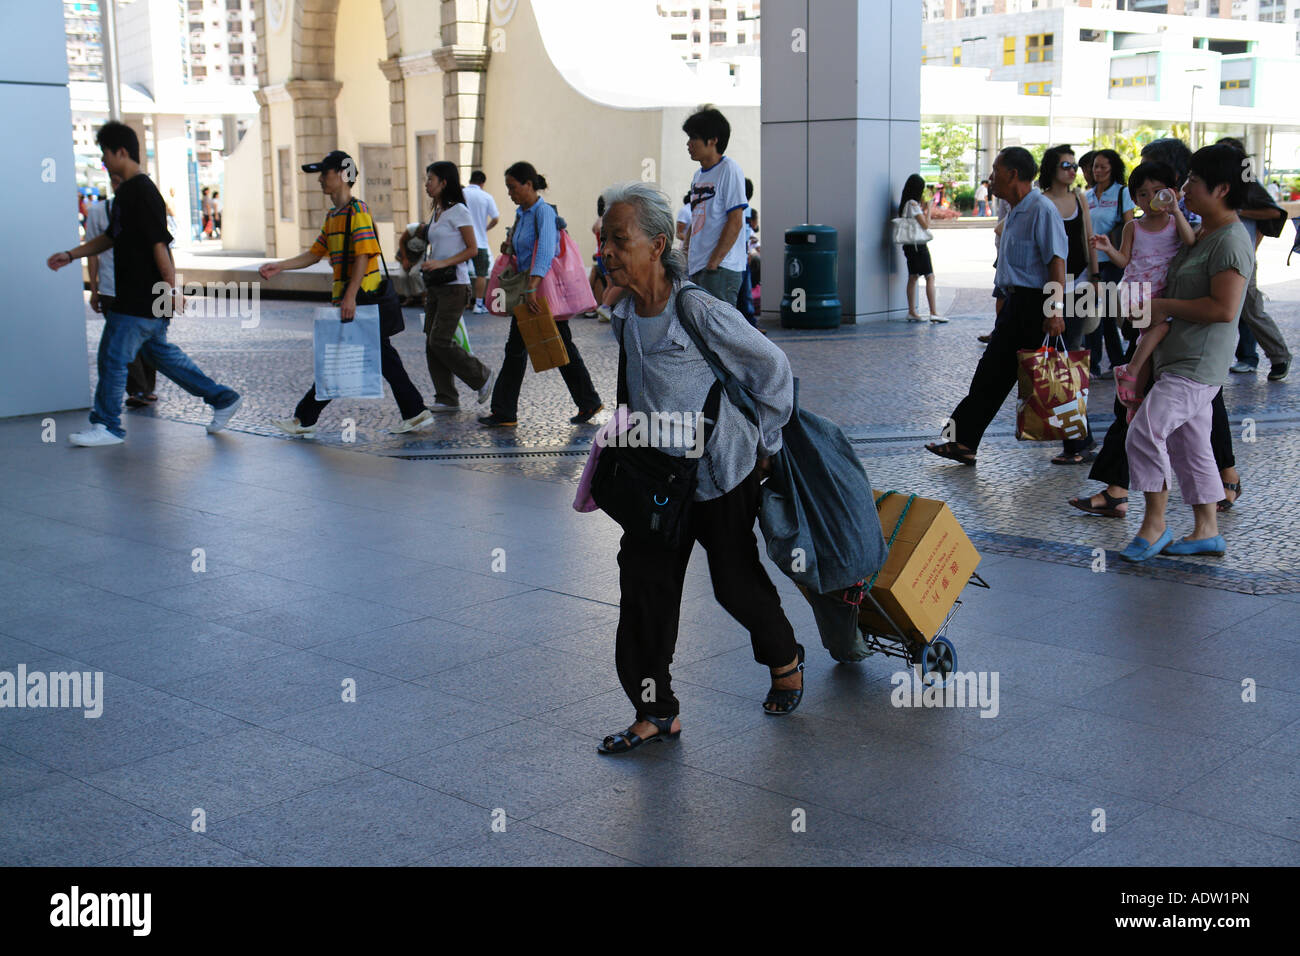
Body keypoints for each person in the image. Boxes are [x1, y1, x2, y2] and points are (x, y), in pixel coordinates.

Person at [595, 180, 801, 754]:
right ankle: (654, 710)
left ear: (658, 244)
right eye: (603, 240)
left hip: (719, 473)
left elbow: (773, 369)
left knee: (735, 582)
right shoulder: (626, 314)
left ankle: (784, 658)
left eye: (619, 239)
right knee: (643, 592)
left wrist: (766, 439)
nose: (607, 251)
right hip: (657, 483)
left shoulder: (699, 309)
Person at [45, 121, 242, 446]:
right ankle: (223, 398)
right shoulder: (126, 193)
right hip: (139, 298)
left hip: (140, 299)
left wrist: (170, 289)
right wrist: (71, 254)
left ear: (121, 152)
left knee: (112, 357)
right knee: (162, 358)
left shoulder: (143, 193)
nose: (103, 161)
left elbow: (159, 245)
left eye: (105, 154)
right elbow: (110, 238)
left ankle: (108, 425)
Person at [1118, 144, 1254, 562]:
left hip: (1196, 364)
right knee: (1190, 445)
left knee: (1145, 431)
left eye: (1194, 179)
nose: (1186, 186)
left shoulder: (1230, 240)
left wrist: (1163, 308)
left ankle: (1155, 524)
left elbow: (1224, 308)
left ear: (1222, 188)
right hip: (1179, 358)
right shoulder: (1202, 234)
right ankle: (1207, 530)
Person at [258, 149, 433, 438]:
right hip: (353, 299)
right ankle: (415, 412)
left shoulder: (357, 210)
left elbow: (364, 256)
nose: (320, 181)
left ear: (341, 175)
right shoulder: (334, 215)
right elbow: (316, 253)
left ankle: (305, 419)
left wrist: (350, 296)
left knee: (342, 358)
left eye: (324, 174)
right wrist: (280, 266)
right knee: (379, 359)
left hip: (362, 298)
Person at [925, 147, 1066, 465]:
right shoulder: (1013, 210)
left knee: (1047, 378)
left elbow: (1057, 262)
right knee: (991, 374)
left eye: (995, 170)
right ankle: (961, 442)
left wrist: (1055, 309)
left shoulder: (1041, 209)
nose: (990, 178)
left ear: (1013, 174)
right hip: (1015, 304)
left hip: (1036, 305)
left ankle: (1078, 443)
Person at [479, 161, 603, 428]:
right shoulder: (522, 214)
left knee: (522, 349)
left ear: (529, 185)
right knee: (556, 346)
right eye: (508, 188)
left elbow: (546, 250)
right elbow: (523, 250)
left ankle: (505, 411)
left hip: (539, 291)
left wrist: (532, 288)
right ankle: (588, 401)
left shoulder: (543, 212)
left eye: (513, 187)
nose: (510, 193)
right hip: (531, 288)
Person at [1090, 161, 1196, 415]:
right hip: (1137, 291)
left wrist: (1176, 210)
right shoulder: (1133, 226)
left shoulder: (1174, 222)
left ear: (1170, 192)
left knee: (1147, 343)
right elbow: (1124, 260)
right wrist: (1108, 249)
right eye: (1142, 194)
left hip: (1163, 291)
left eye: (1157, 192)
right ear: (1135, 199)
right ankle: (1131, 372)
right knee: (1158, 330)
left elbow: (1189, 240)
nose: (1150, 199)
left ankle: (1132, 398)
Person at [397, 161, 495, 414]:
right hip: (437, 286)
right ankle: (446, 398)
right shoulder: (438, 212)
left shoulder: (459, 211)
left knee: (440, 339)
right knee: (431, 340)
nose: (427, 184)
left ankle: (481, 376)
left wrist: (442, 262)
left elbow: (472, 249)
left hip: (455, 285)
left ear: (444, 182)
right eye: (427, 179)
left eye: (431, 179)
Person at [1038, 145, 1099, 464]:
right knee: (1061, 365)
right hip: (1051, 289)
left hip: (1080, 286)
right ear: (1052, 168)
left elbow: (1089, 238)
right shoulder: (1041, 202)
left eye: (1074, 165)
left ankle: (1078, 443)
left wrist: (1097, 276)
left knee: (1066, 364)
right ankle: (1080, 440)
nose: (1073, 170)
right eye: (1066, 165)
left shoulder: (1079, 198)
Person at [1216, 138, 1292, 383]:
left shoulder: (1247, 182)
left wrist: (1238, 212)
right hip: (1218, 255)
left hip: (1241, 256)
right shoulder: (1216, 180)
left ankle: (1278, 356)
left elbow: (1275, 212)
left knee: (1251, 310)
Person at [84, 171, 158, 409]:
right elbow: (94, 251)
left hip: (140, 288)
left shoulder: (143, 206)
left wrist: (170, 287)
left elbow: (162, 247)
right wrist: (94, 289)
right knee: (120, 346)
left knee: (151, 344)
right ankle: (138, 390)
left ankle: (146, 388)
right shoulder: (97, 211)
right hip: (110, 288)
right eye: (114, 181)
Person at [682, 106, 749, 305]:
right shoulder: (698, 175)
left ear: (713, 140)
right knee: (700, 329)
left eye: (693, 137)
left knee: (718, 331)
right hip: (698, 267)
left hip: (720, 270)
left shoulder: (729, 170)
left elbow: (735, 221)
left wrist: (714, 264)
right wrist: (686, 252)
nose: (688, 144)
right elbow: (697, 218)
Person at [1086, 149, 1134, 378]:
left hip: (1114, 261)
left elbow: (1130, 226)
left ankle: (1111, 361)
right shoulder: (1086, 196)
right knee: (1093, 312)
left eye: (1104, 166)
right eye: (1096, 166)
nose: (1099, 171)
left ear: (1113, 168)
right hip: (1092, 263)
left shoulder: (1122, 193)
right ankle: (1100, 363)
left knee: (1103, 311)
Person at [897, 174, 943, 323]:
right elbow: (925, 225)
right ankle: (933, 312)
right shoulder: (913, 204)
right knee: (930, 276)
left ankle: (911, 311)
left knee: (913, 276)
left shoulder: (905, 204)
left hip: (909, 246)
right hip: (918, 246)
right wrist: (929, 208)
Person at [464, 170, 500, 314]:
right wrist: (485, 229)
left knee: (462, 273)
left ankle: (463, 302)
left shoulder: (461, 194)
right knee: (481, 274)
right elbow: (496, 218)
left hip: (463, 242)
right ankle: (478, 304)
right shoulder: (486, 197)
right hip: (480, 241)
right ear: (483, 183)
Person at [734, 178, 759, 327]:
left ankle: (750, 325)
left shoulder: (744, 210)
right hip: (741, 255)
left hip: (741, 255)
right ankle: (749, 325)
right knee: (745, 293)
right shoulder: (746, 210)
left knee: (744, 292)